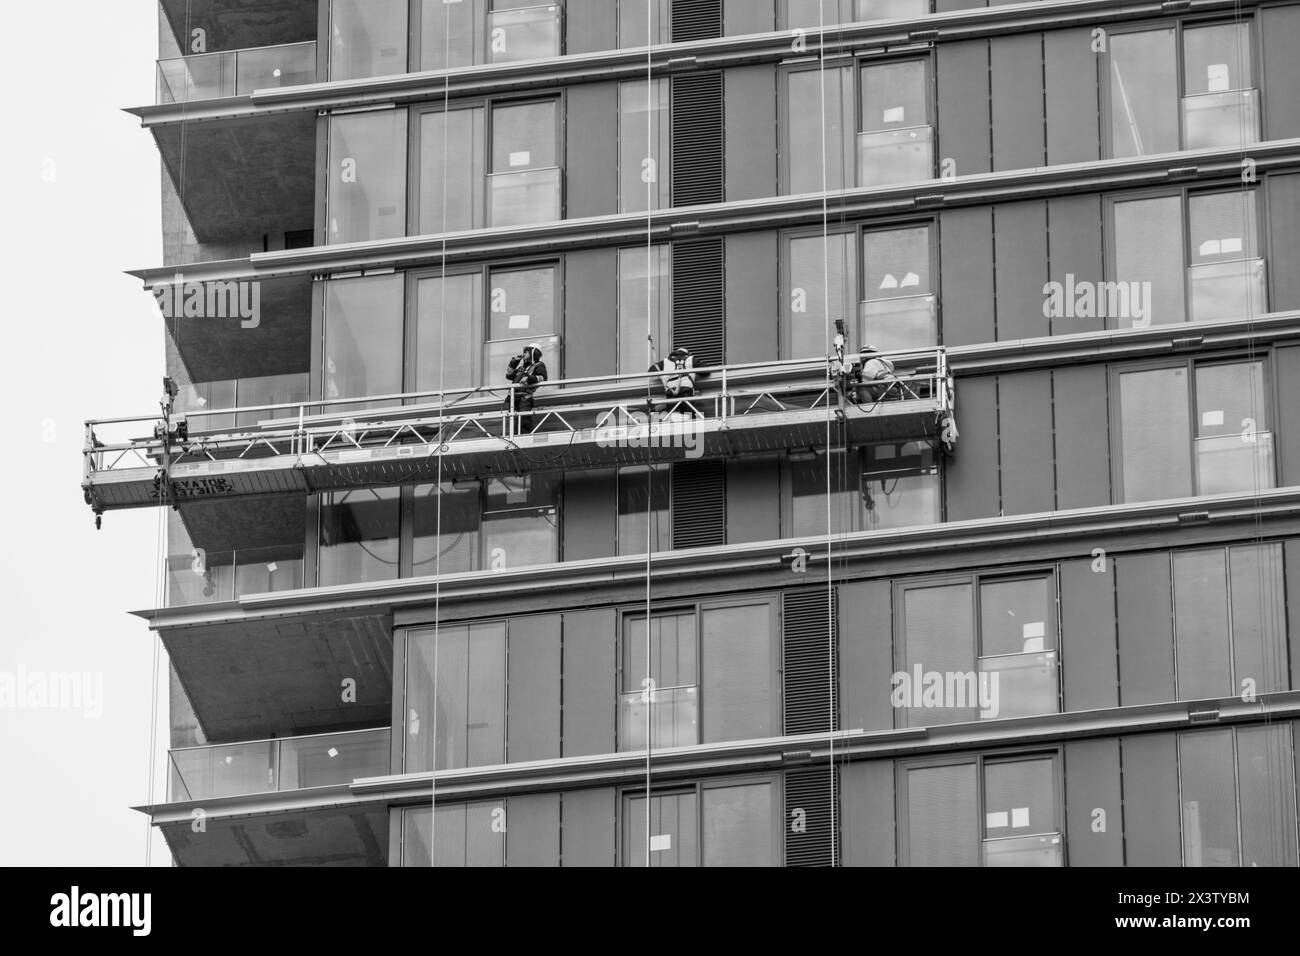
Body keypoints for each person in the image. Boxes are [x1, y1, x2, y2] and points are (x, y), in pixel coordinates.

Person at [505, 343, 548, 433]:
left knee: (524, 419)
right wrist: (514, 363)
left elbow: (542, 378)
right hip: (513, 398)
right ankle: (514, 438)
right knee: (513, 421)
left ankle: (526, 437)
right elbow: (509, 376)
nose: (524, 354)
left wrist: (528, 378)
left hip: (525, 397)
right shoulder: (521, 368)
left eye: (526, 352)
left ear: (533, 353)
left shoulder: (539, 365)